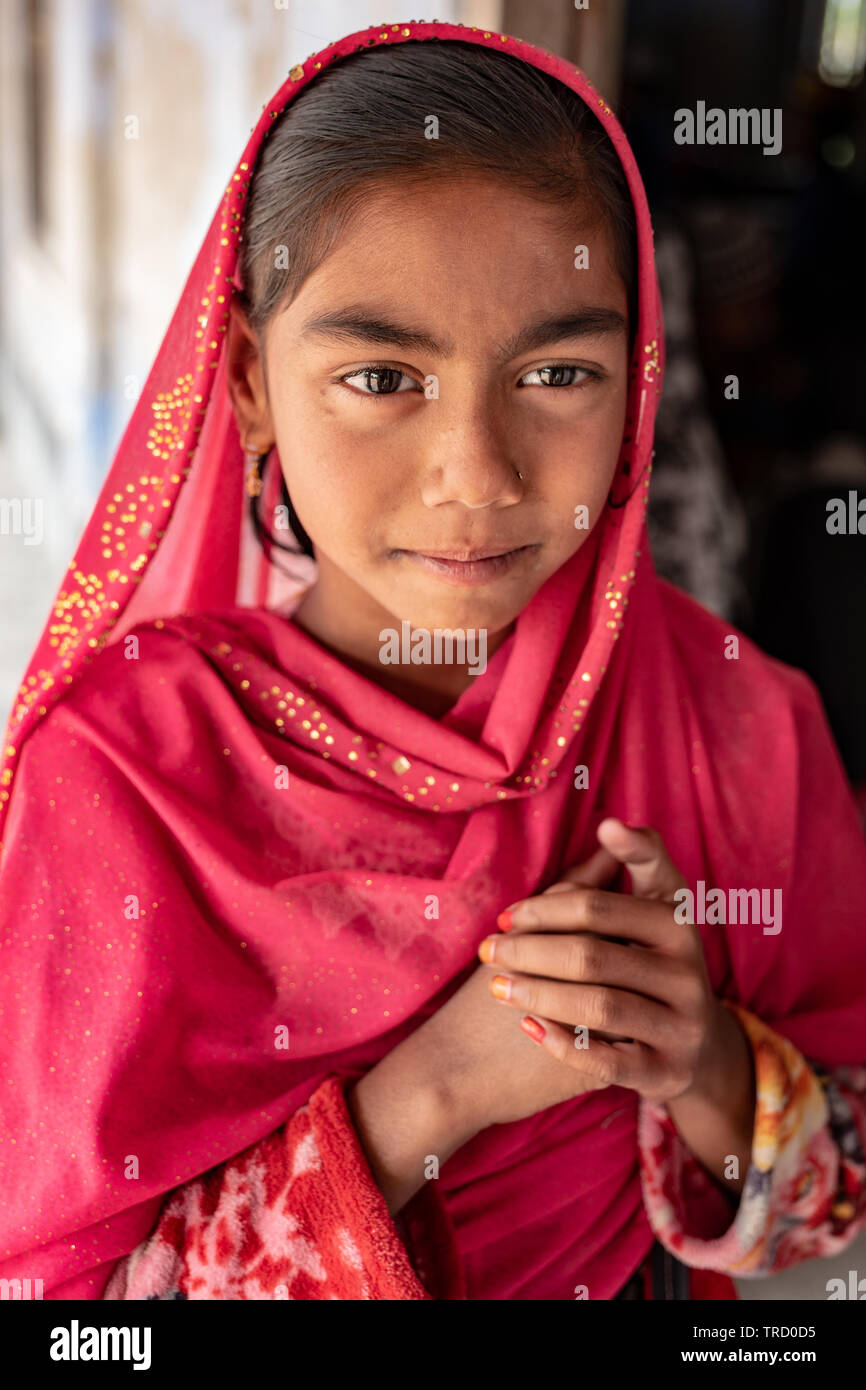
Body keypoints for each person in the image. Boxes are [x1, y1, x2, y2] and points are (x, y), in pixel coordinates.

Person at [1, 21, 864, 1304]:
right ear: (246, 382)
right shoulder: (120, 774)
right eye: (384, 374)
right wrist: (432, 1096)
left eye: (558, 371)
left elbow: (834, 1194)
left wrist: (703, 1067)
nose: (477, 469)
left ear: (636, 385)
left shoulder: (738, 722)